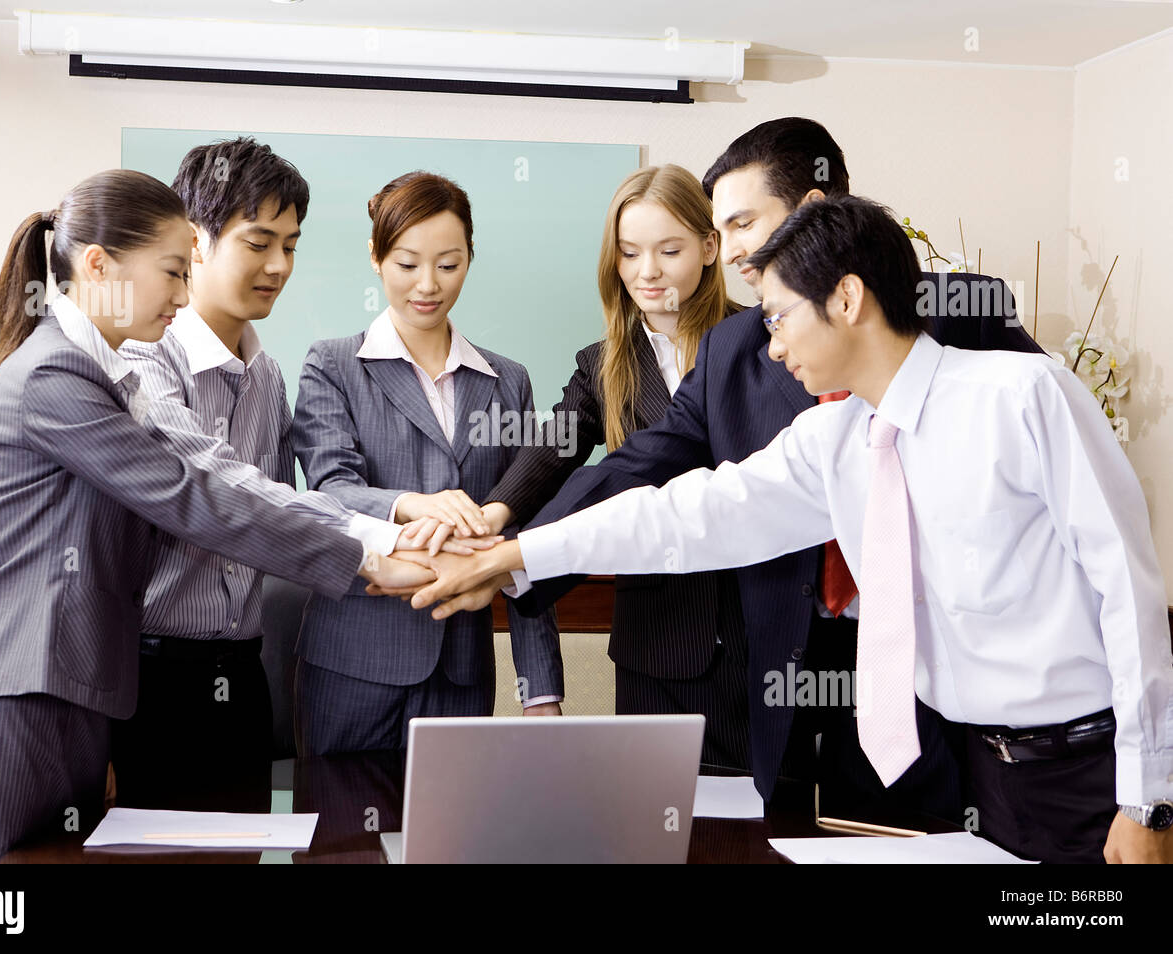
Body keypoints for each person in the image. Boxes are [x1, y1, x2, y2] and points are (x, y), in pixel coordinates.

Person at [399, 195, 1173, 864]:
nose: (769, 346)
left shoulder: (1022, 396)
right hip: (972, 767)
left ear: (845, 299)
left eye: (777, 318)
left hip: (1086, 771)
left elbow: (1129, 595)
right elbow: (686, 514)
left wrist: (1147, 802)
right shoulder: (837, 439)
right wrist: (517, 554)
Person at [437, 118, 1043, 821]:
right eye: (721, 231)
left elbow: (1059, 479)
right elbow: (646, 470)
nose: (731, 253)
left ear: (813, 211)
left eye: (742, 223)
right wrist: (511, 555)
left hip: (931, 674)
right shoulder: (735, 348)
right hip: (777, 663)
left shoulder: (959, 314)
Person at [0, 169, 432, 864]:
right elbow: (190, 497)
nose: (183, 293)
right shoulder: (57, 377)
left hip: (68, 699)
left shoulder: (106, 375)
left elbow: (219, 478)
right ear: (98, 265)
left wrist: (371, 539)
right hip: (16, 703)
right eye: (173, 271)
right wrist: (361, 560)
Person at [111, 139, 479, 810]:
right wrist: (381, 546)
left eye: (291, 245)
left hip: (245, 672)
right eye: (258, 243)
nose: (279, 266)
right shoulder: (144, 358)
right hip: (152, 673)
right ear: (196, 241)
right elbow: (224, 487)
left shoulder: (267, 375)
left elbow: (287, 512)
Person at [471, 164, 748, 767]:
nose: (647, 272)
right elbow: (552, 450)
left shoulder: (761, 341)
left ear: (709, 247)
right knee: (654, 827)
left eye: (669, 250)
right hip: (658, 644)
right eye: (629, 254)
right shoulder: (603, 365)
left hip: (759, 638)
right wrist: (494, 517)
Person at [290, 171, 563, 755]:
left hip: (460, 670)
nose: (428, 285)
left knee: (450, 842)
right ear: (376, 256)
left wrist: (539, 688)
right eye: (407, 263)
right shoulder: (333, 365)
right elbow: (330, 490)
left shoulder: (507, 381)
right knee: (342, 840)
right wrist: (411, 503)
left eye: (449, 263)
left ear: (470, 257)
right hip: (352, 663)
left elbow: (522, 532)